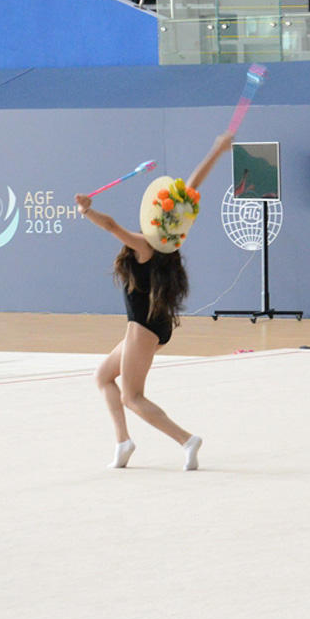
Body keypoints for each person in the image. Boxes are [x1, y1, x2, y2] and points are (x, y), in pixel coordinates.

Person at [75, 132, 234, 470]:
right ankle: (123, 442)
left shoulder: (145, 245)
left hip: (142, 328)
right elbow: (192, 187)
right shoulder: (170, 243)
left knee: (132, 397)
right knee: (103, 376)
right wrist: (216, 150)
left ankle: (186, 439)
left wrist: (87, 210)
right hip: (153, 327)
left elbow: (111, 225)